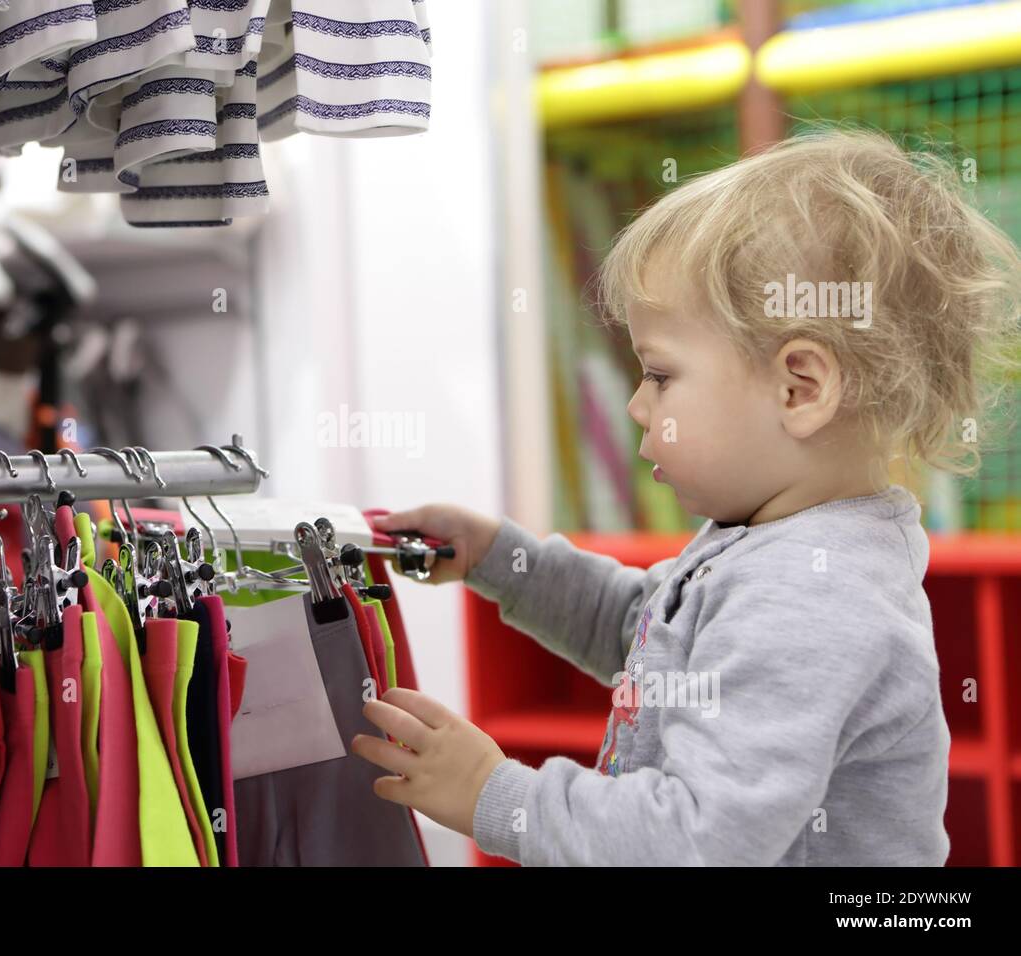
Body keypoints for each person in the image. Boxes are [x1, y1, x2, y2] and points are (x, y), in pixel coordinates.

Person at [350, 127, 1021, 866]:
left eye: (661, 375)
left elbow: (692, 840)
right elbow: (648, 634)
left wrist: (493, 793)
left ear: (800, 388)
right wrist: (502, 560)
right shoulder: (773, 541)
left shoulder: (811, 600)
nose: (638, 405)